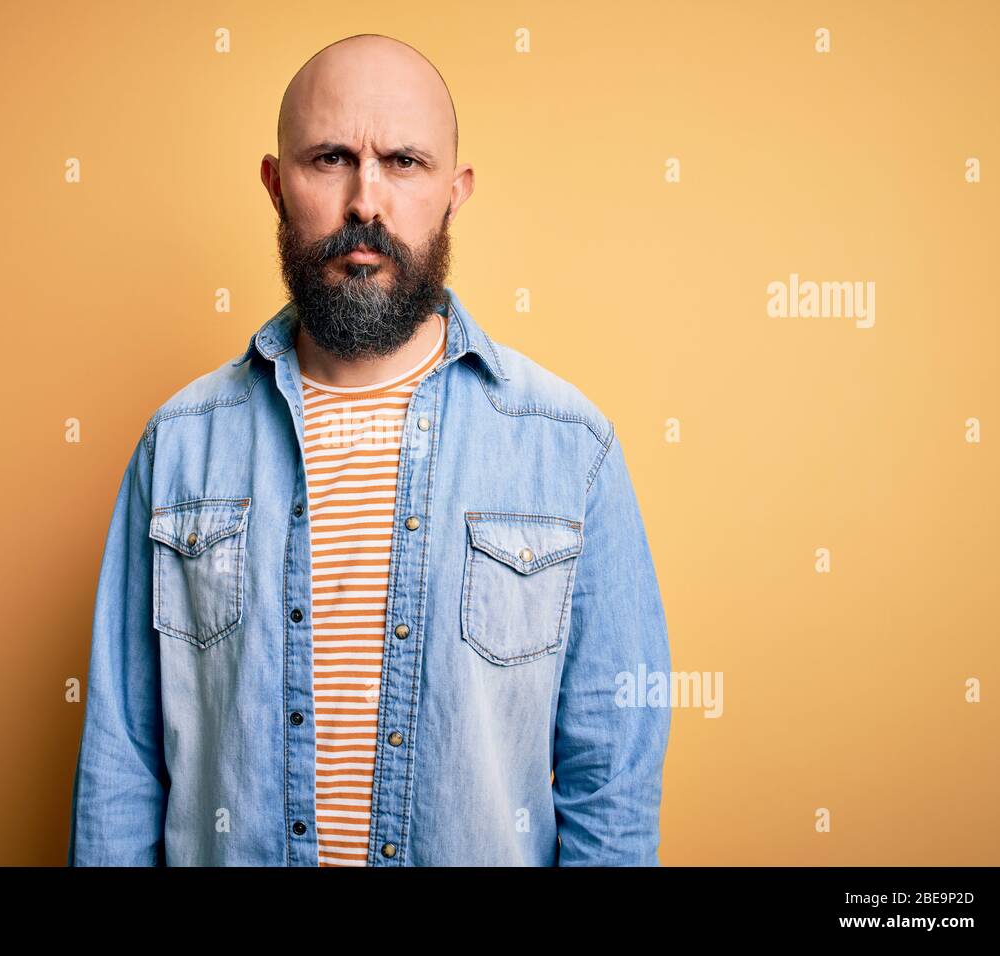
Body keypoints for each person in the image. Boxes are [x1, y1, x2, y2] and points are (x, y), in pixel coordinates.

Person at [69, 33, 671, 866]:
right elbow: (120, 762)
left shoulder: (571, 452)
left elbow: (612, 786)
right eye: (330, 159)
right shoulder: (178, 446)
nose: (366, 201)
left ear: (454, 192)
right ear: (277, 187)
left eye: (404, 161)